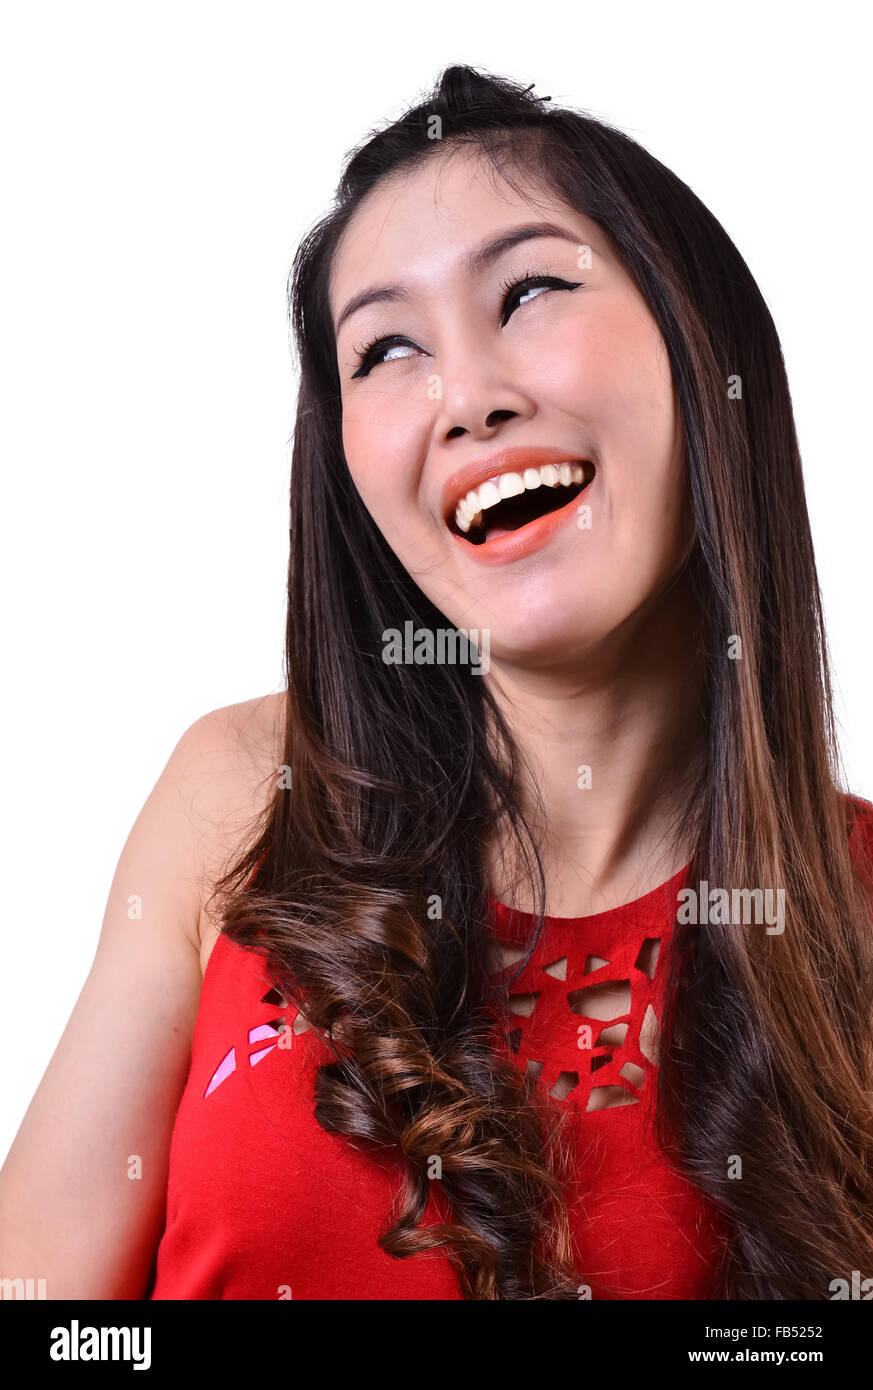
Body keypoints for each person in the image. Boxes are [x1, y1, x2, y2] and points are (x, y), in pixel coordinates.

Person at [2, 64, 872, 1302]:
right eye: (388, 349)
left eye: (530, 290)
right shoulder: (243, 790)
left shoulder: (854, 915)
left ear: (701, 346)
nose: (468, 396)